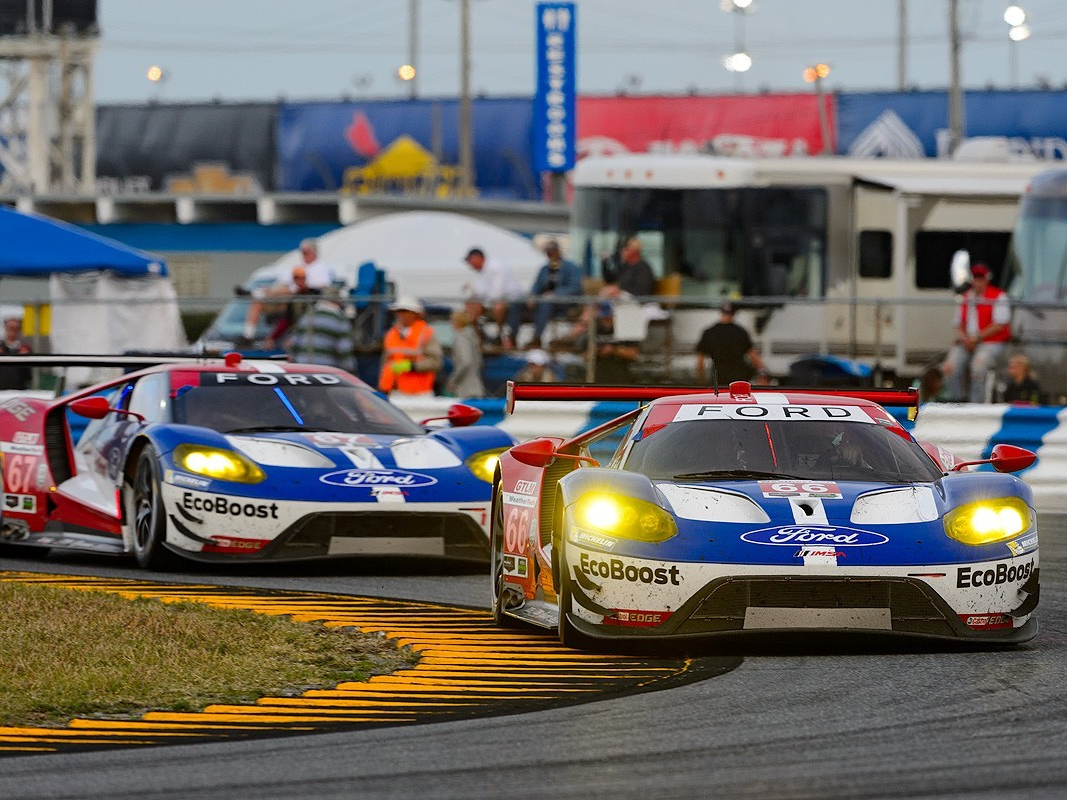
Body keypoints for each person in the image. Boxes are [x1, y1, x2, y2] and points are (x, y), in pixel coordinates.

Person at [944, 263, 1011, 403]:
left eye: (981, 278)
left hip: (990, 342)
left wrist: (976, 338)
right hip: (968, 341)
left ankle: (976, 406)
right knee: (949, 367)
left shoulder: (999, 296)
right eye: (975, 278)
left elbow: (999, 325)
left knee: (978, 368)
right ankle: (955, 403)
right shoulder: (966, 297)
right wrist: (964, 338)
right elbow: (957, 324)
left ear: (987, 279)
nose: (978, 281)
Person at [516, 241, 583, 349]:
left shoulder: (571, 268)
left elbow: (575, 288)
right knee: (517, 302)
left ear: (558, 251)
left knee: (546, 303)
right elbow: (537, 285)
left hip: (564, 303)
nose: (550, 254)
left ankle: (536, 338)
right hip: (543, 301)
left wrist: (555, 294)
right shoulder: (544, 269)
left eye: (552, 251)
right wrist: (532, 296)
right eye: (548, 252)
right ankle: (511, 337)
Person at [377, 297, 442, 396]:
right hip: (395, 392)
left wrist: (411, 366)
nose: (401, 314)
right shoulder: (391, 334)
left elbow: (435, 362)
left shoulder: (426, 333)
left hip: (420, 393)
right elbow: (385, 363)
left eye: (405, 311)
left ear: (416, 314)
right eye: (399, 311)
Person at [242, 264, 321, 346]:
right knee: (258, 302)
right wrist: (272, 338)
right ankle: (248, 336)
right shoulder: (291, 295)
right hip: (289, 325)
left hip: (308, 332)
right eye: (296, 278)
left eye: (302, 278)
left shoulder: (313, 293)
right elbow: (286, 319)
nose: (299, 281)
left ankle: (256, 293)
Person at [463, 247, 525, 349]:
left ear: (477, 258)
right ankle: (479, 338)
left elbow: (498, 292)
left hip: (512, 301)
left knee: (498, 307)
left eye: (470, 261)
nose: (469, 265)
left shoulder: (496, 266)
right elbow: (481, 292)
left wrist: (482, 301)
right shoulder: (481, 272)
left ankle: (500, 335)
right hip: (493, 300)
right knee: (470, 307)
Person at [694, 302, 767, 386]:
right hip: (739, 380)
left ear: (721, 312)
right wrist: (764, 374)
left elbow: (700, 363)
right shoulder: (740, 332)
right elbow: (754, 357)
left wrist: (702, 382)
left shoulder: (709, 333)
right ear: (734, 314)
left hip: (719, 379)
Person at [286, 289, 355, 372]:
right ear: (337, 301)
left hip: (302, 369)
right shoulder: (340, 320)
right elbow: (344, 351)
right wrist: (352, 373)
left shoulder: (306, 316)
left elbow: (292, 344)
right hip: (326, 371)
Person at [446, 308, 485, 398]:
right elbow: (480, 362)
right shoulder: (472, 337)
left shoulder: (461, 338)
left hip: (465, 389)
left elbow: (465, 362)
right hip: (476, 387)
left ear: (457, 322)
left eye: (452, 320)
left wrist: (453, 380)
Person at [0, 315, 32, 390]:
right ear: (6, 329)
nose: (12, 332)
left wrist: (24, 357)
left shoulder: (25, 348)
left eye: (15, 329)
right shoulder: (1, 347)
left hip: (19, 389)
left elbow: (29, 374)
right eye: (10, 328)